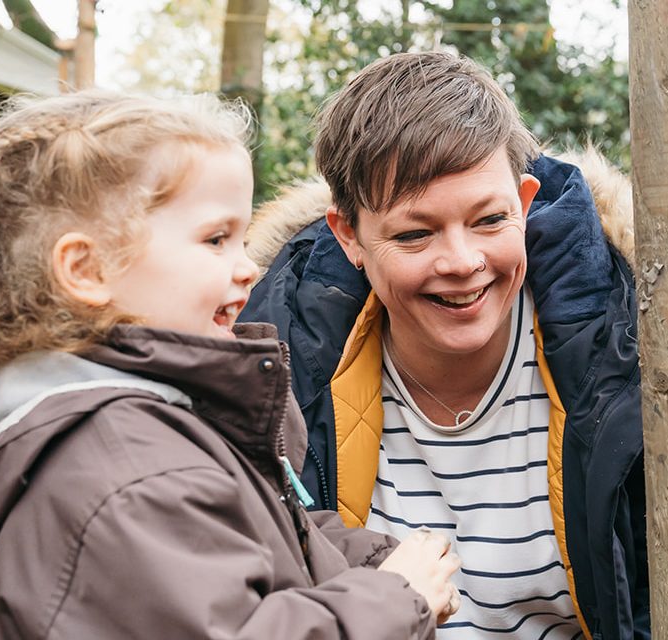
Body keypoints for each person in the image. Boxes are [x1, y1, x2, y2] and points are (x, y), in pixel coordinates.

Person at [0, 90, 461, 639]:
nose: (246, 269)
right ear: (87, 269)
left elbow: (251, 541)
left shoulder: (142, 431)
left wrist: (377, 562)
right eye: (216, 239)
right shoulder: (124, 473)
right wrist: (395, 600)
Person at [242, 51, 646, 639]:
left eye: (489, 220)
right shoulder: (271, 373)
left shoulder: (630, 343)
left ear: (525, 203)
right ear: (349, 236)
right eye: (414, 234)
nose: (461, 262)